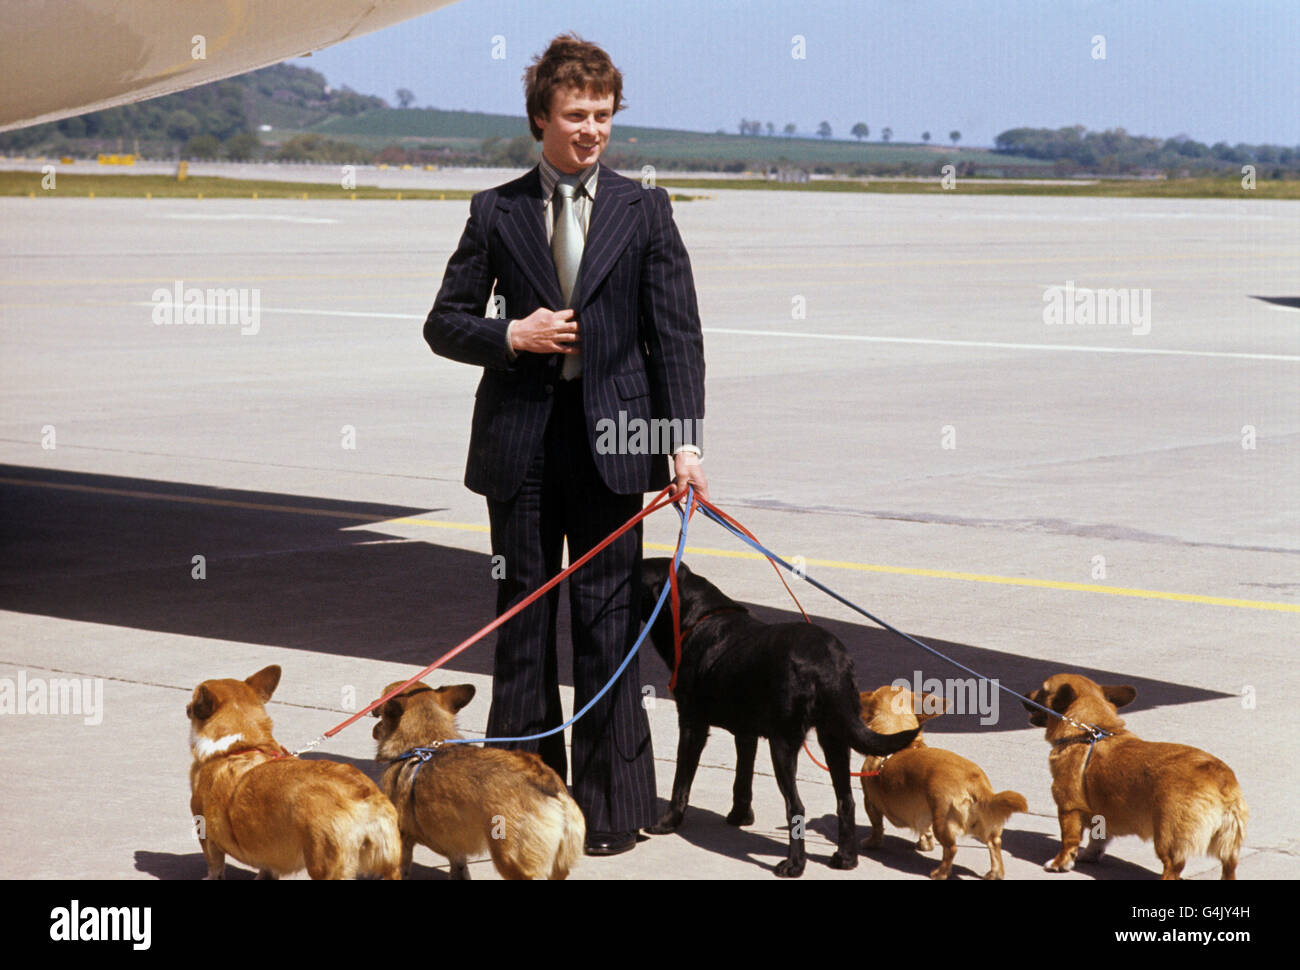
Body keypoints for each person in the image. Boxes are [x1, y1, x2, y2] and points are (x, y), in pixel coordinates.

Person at [423, 32, 708, 856]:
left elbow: (677, 337)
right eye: (576, 114)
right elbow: (443, 323)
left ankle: (615, 806)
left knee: (607, 623)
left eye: (604, 116)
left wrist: (683, 444)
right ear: (540, 118)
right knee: (523, 622)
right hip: (521, 447)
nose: (592, 130)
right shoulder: (497, 210)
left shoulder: (645, 210)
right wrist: (513, 334)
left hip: (618, 442)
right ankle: (516, 805)